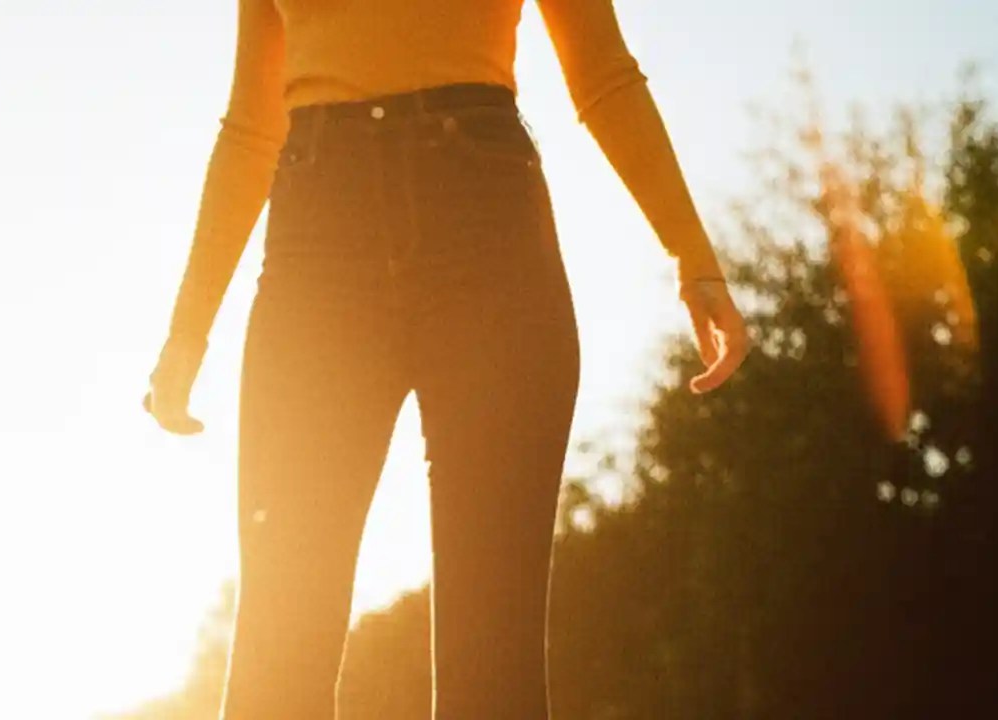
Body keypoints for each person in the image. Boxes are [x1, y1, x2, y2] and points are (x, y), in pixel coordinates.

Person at [144, 0, 750, 717]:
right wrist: (189, 329)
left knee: (492, 672)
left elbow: (601, 72)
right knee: (277, 660)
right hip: (317, 248)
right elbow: (252, 123)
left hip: (487, 237)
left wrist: (693, 256)